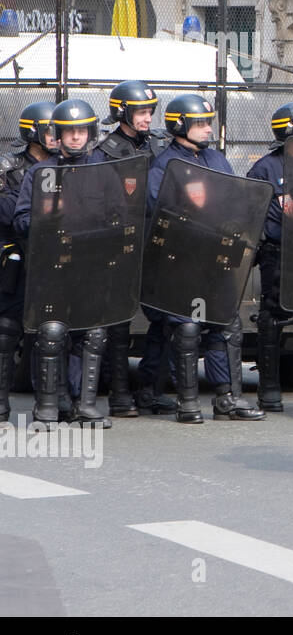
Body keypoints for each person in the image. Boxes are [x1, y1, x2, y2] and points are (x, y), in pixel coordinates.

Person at [149, 94, 265, 424]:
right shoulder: (167, 165)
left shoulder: (217, 159)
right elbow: (161, 209)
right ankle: (187, 401)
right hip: (182, 261)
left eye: (208, 122)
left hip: (216, 260)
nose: (207, 129)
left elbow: (235, 197)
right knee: (186, 329)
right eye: (199, 123)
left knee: (226, 326)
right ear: (179, 125)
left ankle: (227, 397)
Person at [14, 99, 119, 427]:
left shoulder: (104, 174)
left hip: (91, 268)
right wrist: (49, 222)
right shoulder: (39, 173)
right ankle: (47, 407)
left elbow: (120, 219)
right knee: (52, 334)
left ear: (90, 133)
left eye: (81, 131)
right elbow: (21, 220)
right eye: (68, 132)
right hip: (52, 268)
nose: (75, 138)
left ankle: (84, 404)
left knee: (94, 334)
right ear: (56, 136)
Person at [91, 81, 174, 418]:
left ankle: (151, 389)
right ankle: (119, 392)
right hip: (121, 243)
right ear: (122, 112)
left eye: (150, 111)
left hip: (156, 241)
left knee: (166, 317)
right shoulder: (106, 152)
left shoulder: (158, 146)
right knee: (119, 321)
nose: (147, 117)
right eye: (141, 111)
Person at [247, 102, 293, 417]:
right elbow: (253, 214)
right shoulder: (266, 168)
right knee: (271, 319)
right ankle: (269, 389)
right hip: (277, 253)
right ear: (292, 131)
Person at [0, 101, 57, 424]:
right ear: (33, 132)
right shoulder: (7, 166)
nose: (55, 136)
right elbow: (7, 213)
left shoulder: (67, 164)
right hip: (16, 255)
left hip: (52, 257)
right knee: (7, 330)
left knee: (50, 332)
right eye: (49, 130)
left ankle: (50, 402)